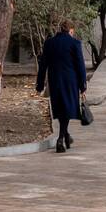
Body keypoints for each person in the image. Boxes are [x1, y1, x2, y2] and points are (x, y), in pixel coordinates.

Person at [36, 20, 88, 153]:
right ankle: (60, 139)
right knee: (67, 109)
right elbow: (81, 66)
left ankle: (66, 136)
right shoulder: (74, 43)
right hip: (70, 82)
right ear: (71, 30)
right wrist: (83, 86)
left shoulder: (49, 43)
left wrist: (40, 84)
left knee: (60, 108)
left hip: (54, 81)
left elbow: (43, 65)